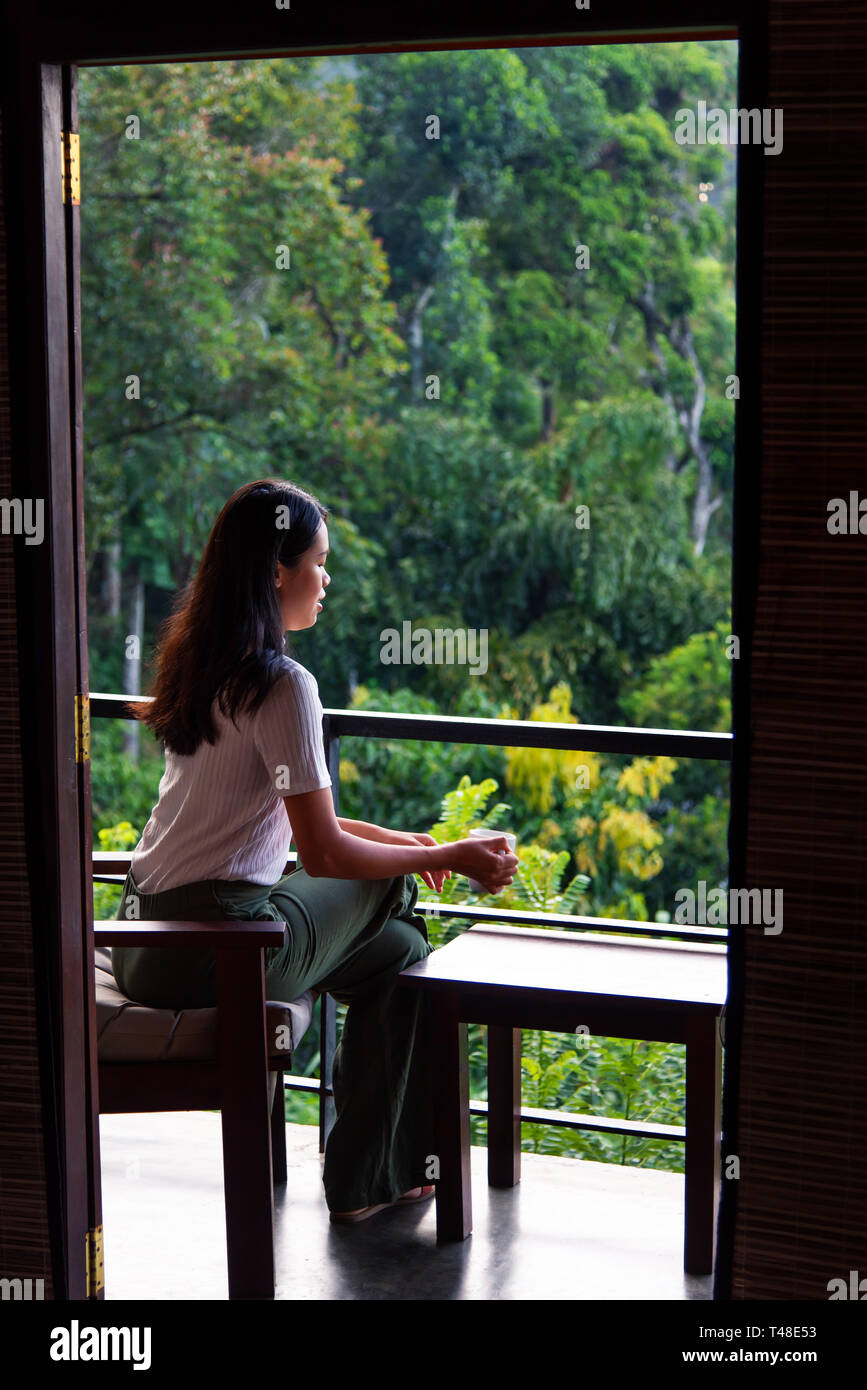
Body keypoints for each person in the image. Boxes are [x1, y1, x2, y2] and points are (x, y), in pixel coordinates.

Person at [112, 478, 518, 1223]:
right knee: (391, 899)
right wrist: (453, 856)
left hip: (142, 936)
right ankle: (364, 1177)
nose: (326, 579)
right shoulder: (283, 684)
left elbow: (299, 821)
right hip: (217, 948)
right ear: (275, 571)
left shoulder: (204, 667)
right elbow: (324, 856)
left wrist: (409, 841)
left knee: (395, 949)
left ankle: (373, 1183)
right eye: (319, 562)